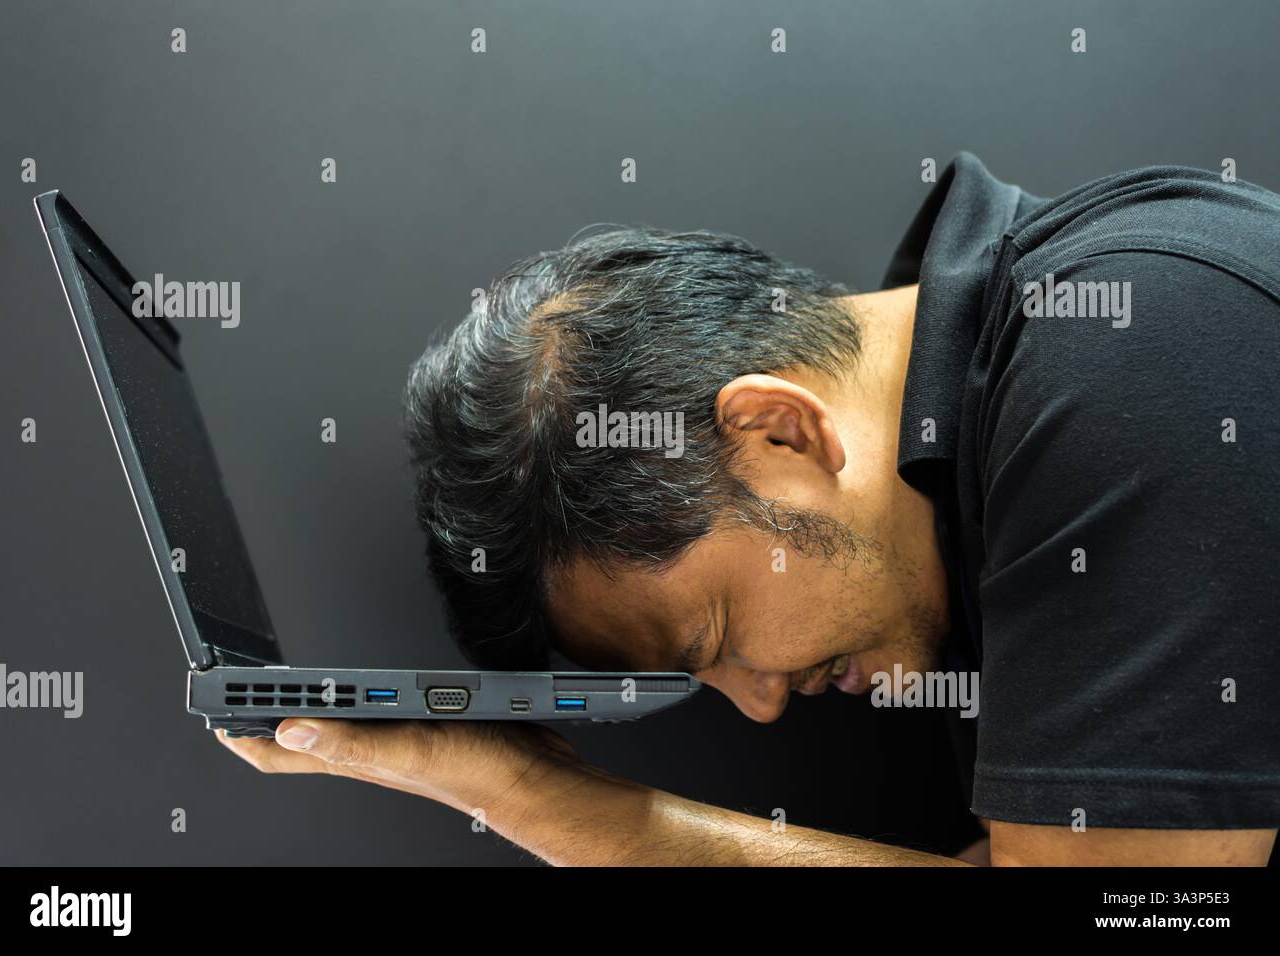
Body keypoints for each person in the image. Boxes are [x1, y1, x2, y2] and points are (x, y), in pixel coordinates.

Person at [220, 153, 1280, 866]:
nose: (762, 704)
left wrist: (567, 810)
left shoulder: (1125, 352)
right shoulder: (979, 424)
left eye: (716, 635)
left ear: (779, 431)